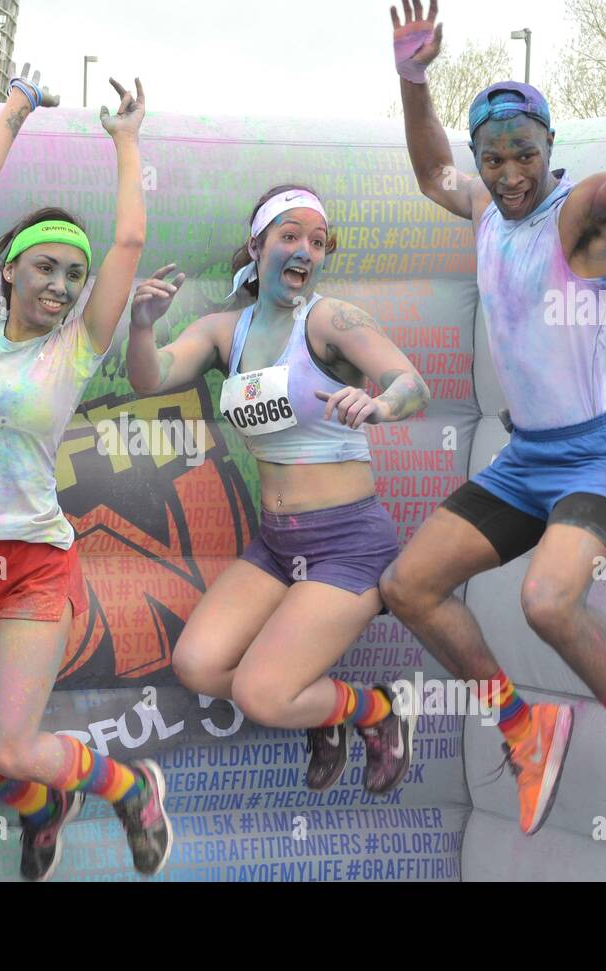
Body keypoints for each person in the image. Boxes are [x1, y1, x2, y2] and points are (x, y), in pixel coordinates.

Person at [383, 0, 606, 836]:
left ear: (549, 148)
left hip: (600, 458)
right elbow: (427, 172)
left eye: (524, 152)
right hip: (528, 460)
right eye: (494, 158)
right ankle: (522, 725)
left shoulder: (581, 215)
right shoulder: (485, 213)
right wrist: (414, 79)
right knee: (408, 586)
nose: (510, 171)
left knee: (548, 602)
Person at [0, 68, 171, 882]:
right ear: (9, 270)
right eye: (46, 268)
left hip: (31, 563)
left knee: (12, 744)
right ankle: (39, 805)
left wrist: (126, 142)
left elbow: (127, 243)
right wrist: (17, 108)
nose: (61, 286)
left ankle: (128, 784)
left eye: (73, 274)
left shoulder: (77, 348)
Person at [125, 184, 431, 796]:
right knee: (198, 664)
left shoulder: (328, 319)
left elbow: (412, 382)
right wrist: (141, 325)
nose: (306, 251)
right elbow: (150, 377)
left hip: (349, 545)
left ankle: (375, 708)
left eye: (317, 242)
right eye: (289, 236)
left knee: (261, 693)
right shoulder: (222, 332)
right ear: (256, 245)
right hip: (277, 542)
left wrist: (378, 403)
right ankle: (329, 710)